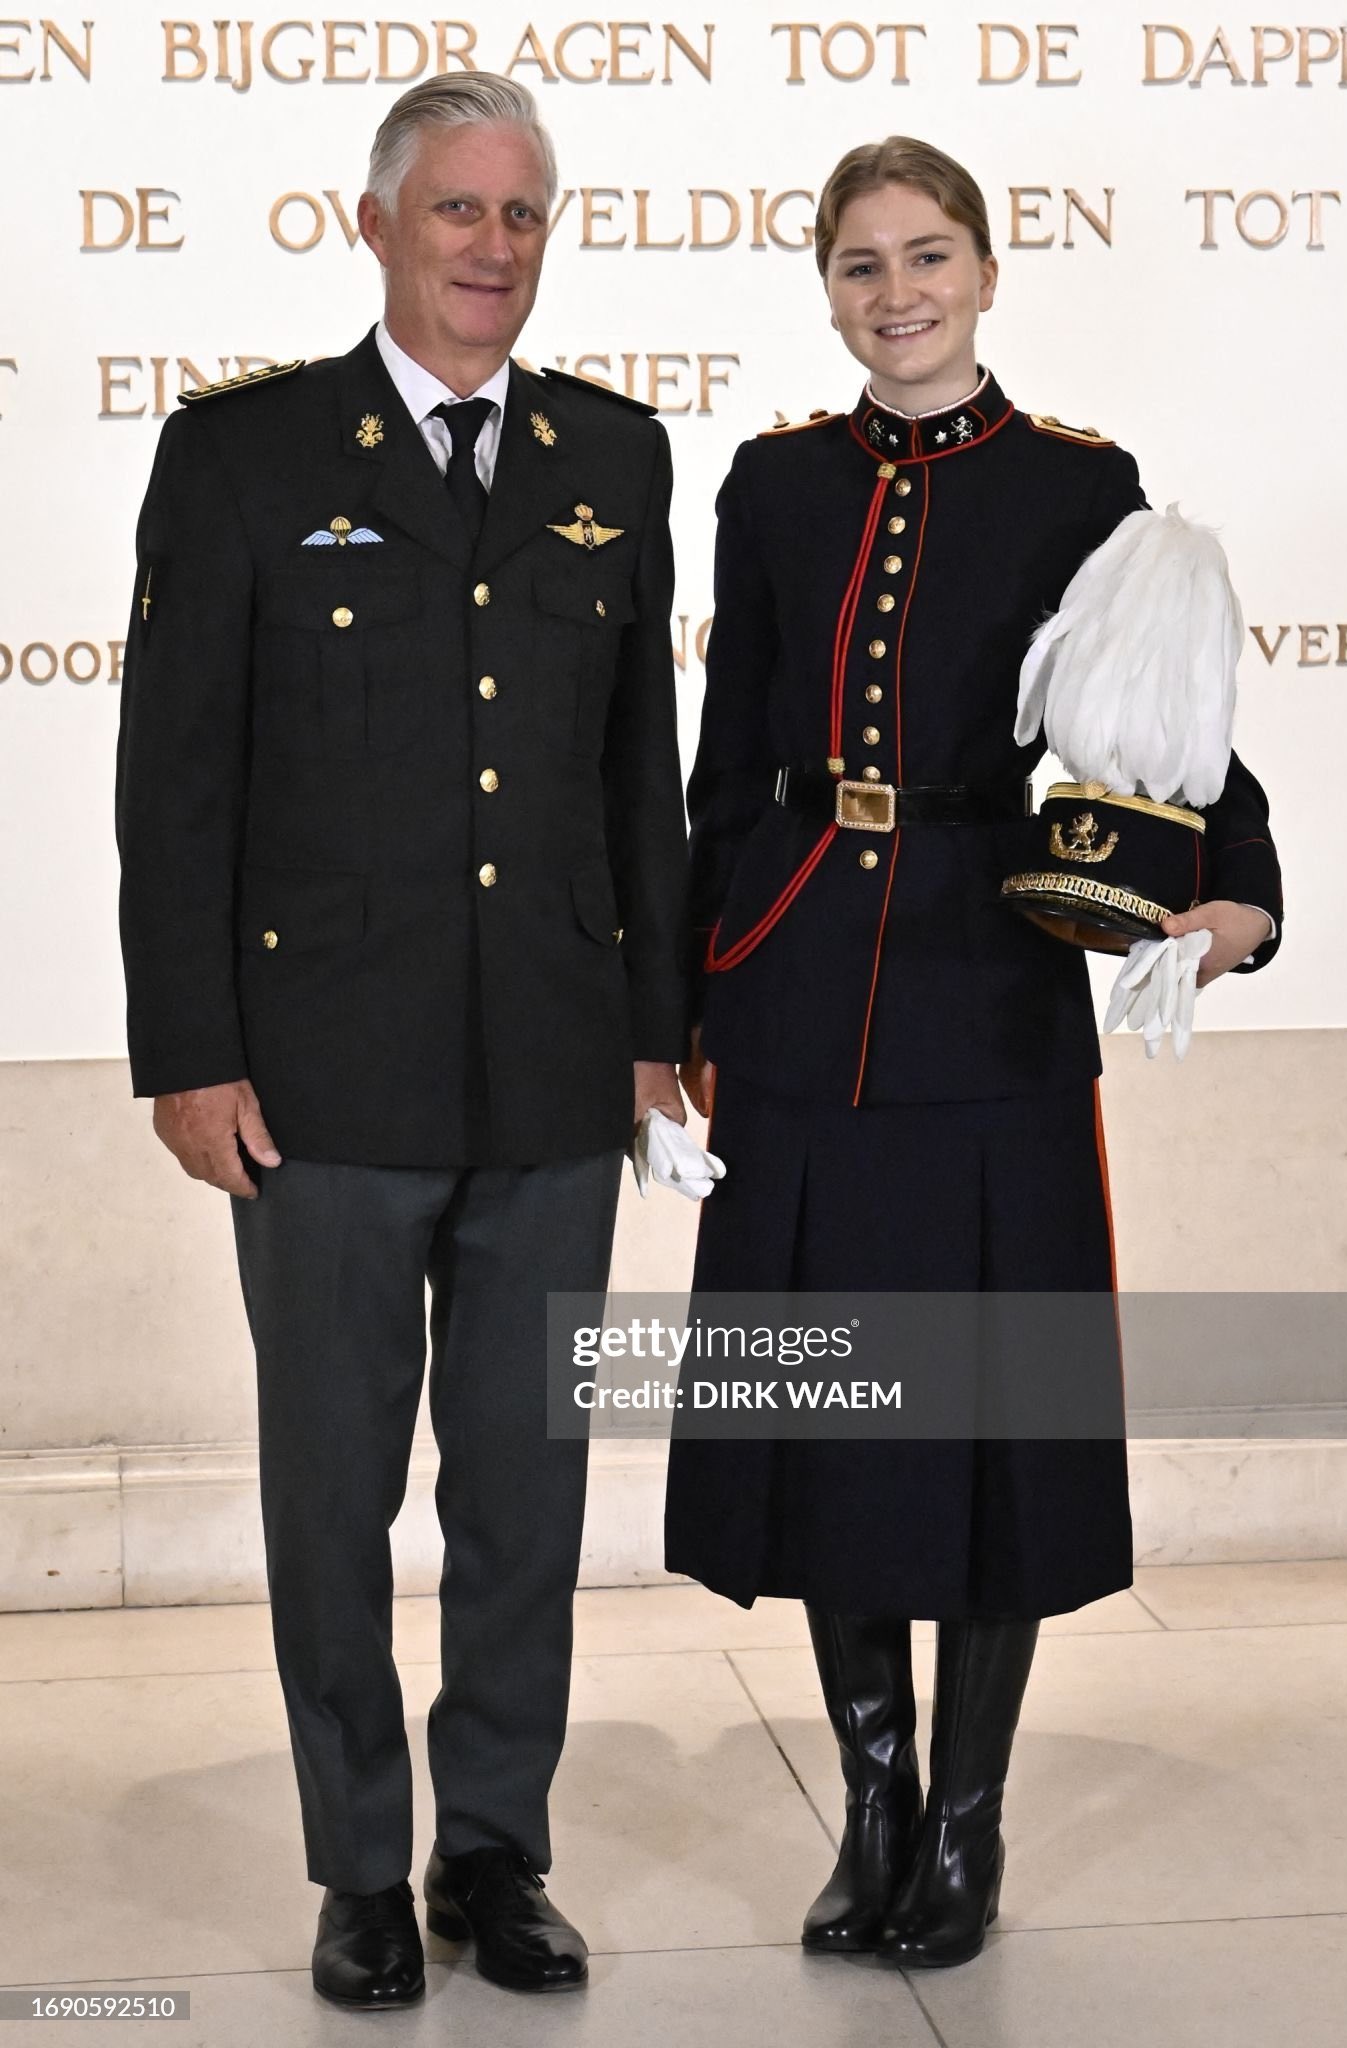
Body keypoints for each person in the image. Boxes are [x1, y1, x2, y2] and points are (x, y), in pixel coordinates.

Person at [664, 136, 1282, 1970]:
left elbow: (1163, 727)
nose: (896, 293)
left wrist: (1238, 891)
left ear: (991, 273)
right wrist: (685, 1001)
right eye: (860, 266)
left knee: (982, 1424)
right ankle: (869, 1793)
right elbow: (722, 762)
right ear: (827, 288)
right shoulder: (771, 482)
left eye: (928, 257)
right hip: (789, 988)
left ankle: (968, 1819)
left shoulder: (1082, 488)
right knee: (827, 1408)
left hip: (983, 997)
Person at [115, 73, 688, 2010]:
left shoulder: (613, 453)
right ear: (375, 225)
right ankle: (361, 1862)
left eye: (523, 216)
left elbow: (637, 775)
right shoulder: (246, 454)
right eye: (457, 211)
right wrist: (189, 1051)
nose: (493, 249)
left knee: (524, 1490)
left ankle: (492, 1853)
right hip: (322, 1087)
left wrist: (659, 1024)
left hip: (549, 1069)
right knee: (331, 1486)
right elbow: (175, 784)